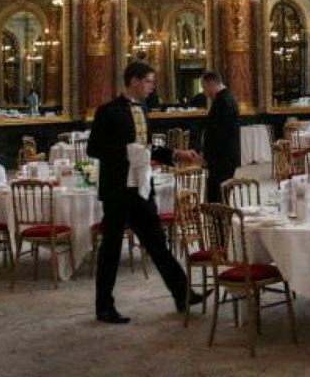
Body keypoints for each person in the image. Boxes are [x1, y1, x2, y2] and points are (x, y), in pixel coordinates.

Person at [86, 61, 206, 324]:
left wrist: (176, 153)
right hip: (117, 191)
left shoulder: (144, 110)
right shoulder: (107, 111)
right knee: (111, 250)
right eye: (149, 81)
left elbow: (148, 148)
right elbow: (93, 149)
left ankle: (183, 293)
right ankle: (103, 307)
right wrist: (126, 153)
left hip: (141, 189)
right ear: (134, 81)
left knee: (157, 245)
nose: (152, 87)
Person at [196, 70, 240, 204]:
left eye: (204, 87)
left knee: (218, 198)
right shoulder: (224, 99)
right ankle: (221, 224)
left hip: (221, 160)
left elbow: (220, 136)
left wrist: (208, 157)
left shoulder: (223, 102)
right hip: (223, 158)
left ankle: (221, 225)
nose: (204, 92)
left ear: (211, 84)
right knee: (219, 196)